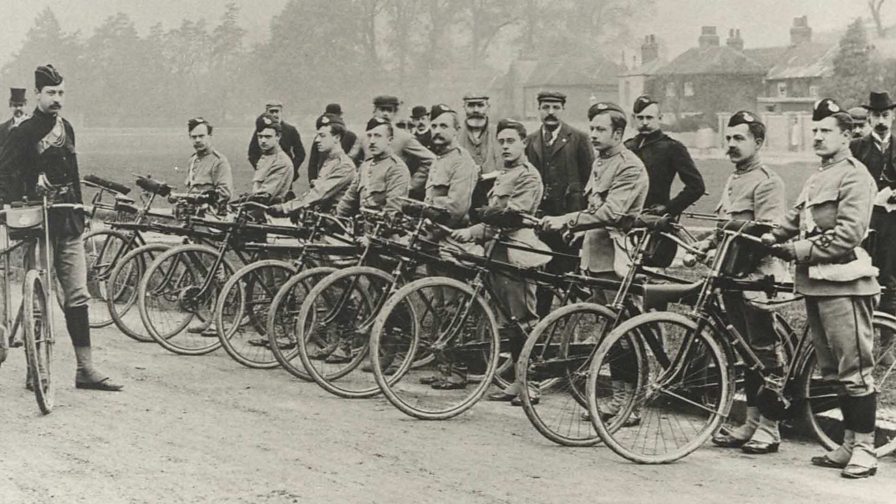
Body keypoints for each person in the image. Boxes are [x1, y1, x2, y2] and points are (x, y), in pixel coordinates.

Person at [766, 98, 880, 479]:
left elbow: (849, 233)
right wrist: (767, 236)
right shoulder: (817, 176)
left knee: (855, 370)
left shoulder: (855, 176)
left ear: (847, 136)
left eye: (825, 131)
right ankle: (848, 443)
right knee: (831, 372)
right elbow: (794, 219)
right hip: (817, 285)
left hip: (845, 285)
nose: (816, 136)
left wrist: (797, 249)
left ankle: (865, 447)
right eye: (814, 130)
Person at [0, 64, 122, 391]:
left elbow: (72, 172)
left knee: (78, 295)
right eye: (51, 93)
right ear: (37, 94)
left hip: (68, 222)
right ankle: (35, 370)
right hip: (38, 224)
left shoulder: (66, 127)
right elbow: (5, 175)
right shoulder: (22, 132)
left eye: (61, 93)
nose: (57, 99)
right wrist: (23, 193)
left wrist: (81, 212)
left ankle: (85, 369)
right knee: (37, 298)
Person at [540, 102, 648, 422]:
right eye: (592, 128)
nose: (593, 135)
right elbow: (595, 207)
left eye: (601, 129)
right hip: (597, 259)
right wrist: (581, 233)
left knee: (627, 333)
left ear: (618, 133)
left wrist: (569, 221)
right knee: (610, 332)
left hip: (618, 261)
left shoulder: (629, 166)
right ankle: (618, 399)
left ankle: (635, 402)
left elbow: (612, 213)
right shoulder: (602, 162)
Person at [706, 111, 788, 454]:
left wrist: (728, 242)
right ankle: (751, 422)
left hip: (758, 276)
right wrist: (706, 244)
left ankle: (770, 427)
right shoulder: (734, 179)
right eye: (728, 138)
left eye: (739, 139)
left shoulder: (768, 181)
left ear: (758, 142)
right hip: (732, 275)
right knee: (746, 351)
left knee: (764, 351)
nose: (731, 145)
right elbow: (725, 225)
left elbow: (765, 233)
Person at [452, 118, 546, 405]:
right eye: (501, 142)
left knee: (525, 321)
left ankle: (531, 384)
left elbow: (512, 216)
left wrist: (484, 216)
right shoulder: (503, 176)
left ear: (524, 143)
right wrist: (469, 231)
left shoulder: (529, 176)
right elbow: (494, 220)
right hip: (497, 253)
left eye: (511, 141)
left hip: (517, 253)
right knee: (509, 322)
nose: (505, 146)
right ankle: (517, 382)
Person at [525, 91, 594, 318]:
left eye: (555, 107)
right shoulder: (531, 140)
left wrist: (581, 219)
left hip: (568, 219)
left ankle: (569, 322)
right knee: (542, 273)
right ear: (539, 109)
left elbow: (590, 180)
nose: (550, 112)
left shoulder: (579, 139)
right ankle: (541, 322)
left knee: (568, 275)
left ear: (563, 109)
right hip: (540, 221)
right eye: (545, 107)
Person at [850, 91, 896, 368]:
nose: (881, 120)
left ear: (893, 116)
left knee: (890, 279)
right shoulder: (858, 148)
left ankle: (885, 345)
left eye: (886, 115)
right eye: (877, 115)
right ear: (869, 117)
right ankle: (861, 341)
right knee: (862, 276)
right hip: (865, 222)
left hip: (893, 224)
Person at [625, 95, 704, 217]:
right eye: (640, 118)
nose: (645, 122)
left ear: (660, 118)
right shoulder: (627, 147)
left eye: (649, 118)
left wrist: (668, 208)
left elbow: (696, 186)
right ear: (634, 118)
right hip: (624, 217)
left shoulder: (672, 147)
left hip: (655, 221)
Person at [269, 113, 356, 216]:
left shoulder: (345, 165)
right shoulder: (329, 160)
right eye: (317, 135)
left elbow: (319, 193)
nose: (317, 140)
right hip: (320, 219)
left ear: (336, 138)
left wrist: (286, 208)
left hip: (335, 223)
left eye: (322, 136)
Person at [364, 95, 435, 200]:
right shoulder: (364, 136)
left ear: (395, 113)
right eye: (382, 109)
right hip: (366, 194)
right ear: (374, 110)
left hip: (392, 195)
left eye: (390, 110)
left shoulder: (404, 137)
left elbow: (431, 159)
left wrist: (411, 185)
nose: (385, 113)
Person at [247, 100, 306, 181]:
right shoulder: (261, 131)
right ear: (266, 112)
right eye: (271, 112)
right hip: (265, 173)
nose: (274, 114)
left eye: (277, 111)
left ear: (281, 112)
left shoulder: (290, 130)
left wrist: (290, 168)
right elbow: (252, 153)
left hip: (285, 174)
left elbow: (300, 154)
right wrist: (261, 167)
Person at [184, 117, 233, 207]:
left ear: (209, 137)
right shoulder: (192, 160)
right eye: (194, 137)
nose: (197, 140)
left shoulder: (219, 161)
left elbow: (225, 194)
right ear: (189, 138)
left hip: (211, 214)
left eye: (201, 136)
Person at [307, 103, 362, 181]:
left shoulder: (350, 137)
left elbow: (313, 162)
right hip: (324, 176)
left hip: (341, 176)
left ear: (337, 137)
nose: (318, 139)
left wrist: (312, 179)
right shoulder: (351, 135)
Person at [251, 113, 294, 204]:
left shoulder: (281, 162)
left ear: (278, 136)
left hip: (272, 214)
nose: (263, 141)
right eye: (260, 136)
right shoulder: (266, 156)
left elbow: (263, 197)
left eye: (268, 137)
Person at [457, 93, 502, 176]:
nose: (476, 110)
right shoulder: (455, 136)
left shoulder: (500, 134)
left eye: (480, 105)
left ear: (488, 107)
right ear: (464, 108)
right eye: (471, 105)